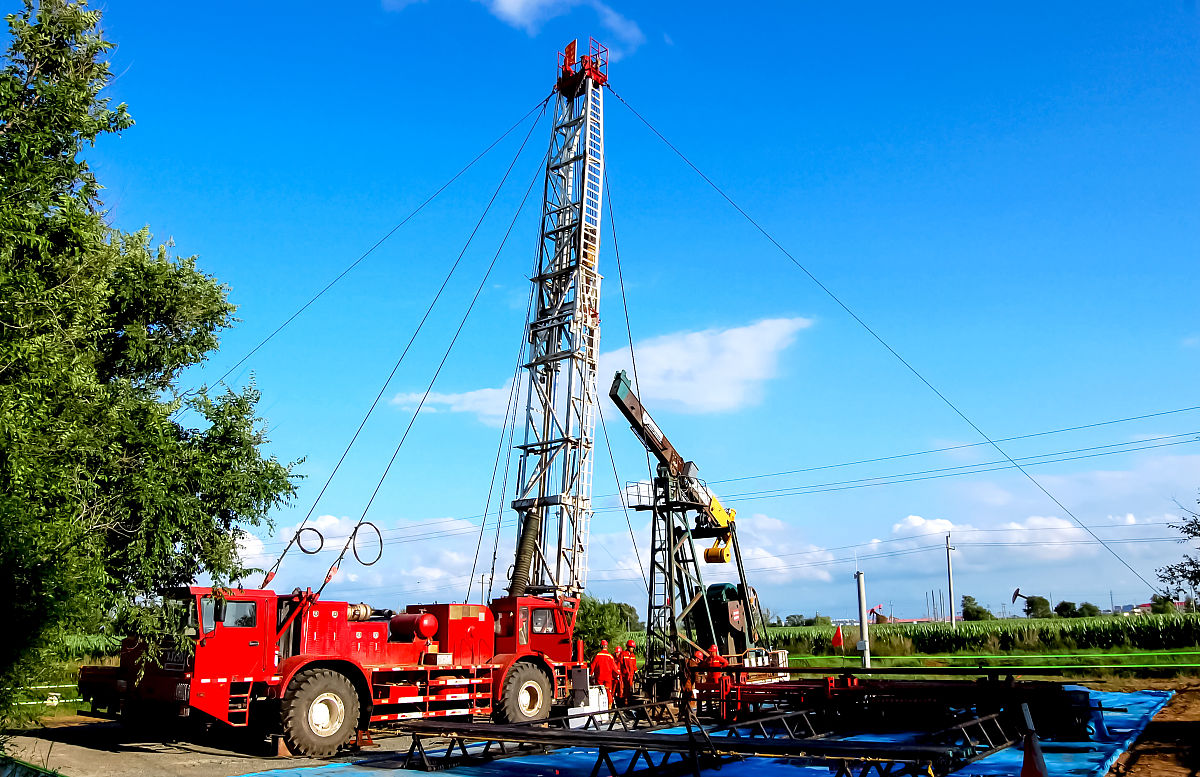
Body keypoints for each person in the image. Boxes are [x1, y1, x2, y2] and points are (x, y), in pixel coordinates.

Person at [589, 639, 618, 706]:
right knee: (608, 692)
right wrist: (618, 674)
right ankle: (609, 707)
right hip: (608, 678)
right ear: (606, 647)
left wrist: (590, 674)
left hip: (599, 677)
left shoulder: (597, 656)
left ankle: (600, 706)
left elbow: (592, 666)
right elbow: (615, 668)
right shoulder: (610, 656)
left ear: (601, 646)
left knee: (599, 692)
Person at [619, 639, 639, 704]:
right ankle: (623, 701)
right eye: (631, 647)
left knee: (629, 688)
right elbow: (620, 664)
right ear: (628, 647)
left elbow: (634, 665)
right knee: (623, 688)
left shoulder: (633, 656)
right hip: (624, 675)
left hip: (630, 676)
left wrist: (636, 672)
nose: (632, 649)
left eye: (633, 648)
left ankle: (628, 701)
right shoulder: (623, 654)